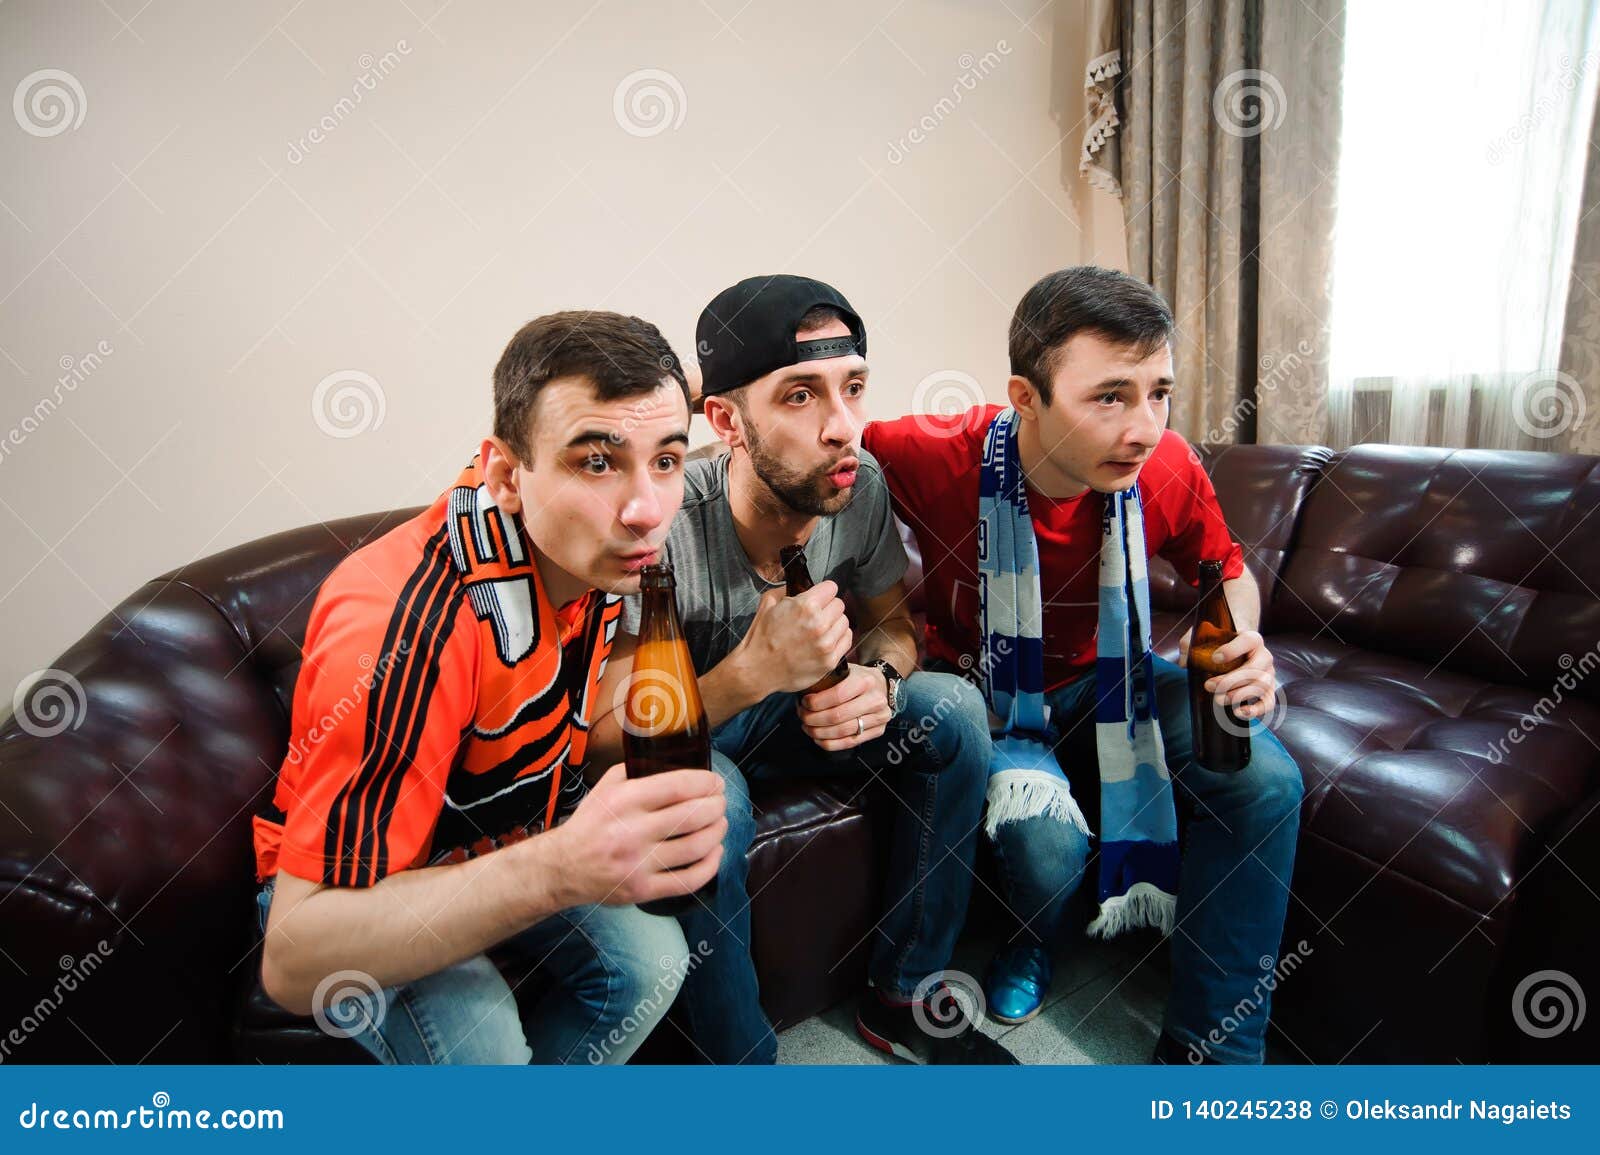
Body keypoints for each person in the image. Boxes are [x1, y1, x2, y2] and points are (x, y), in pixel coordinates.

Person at [253, 311, 727, 1064]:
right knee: (489, 1054)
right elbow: (294, 954)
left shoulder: (593, 551)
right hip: (363, 890)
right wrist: (564, 866)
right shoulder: (410, 623)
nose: (647, 512)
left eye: (666, 461)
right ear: (508, 474)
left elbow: (658, 399)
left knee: (651, 962)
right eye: (597, 463)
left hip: (494, 837)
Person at [862, 267, 1304, 1064]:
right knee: (1046, 854)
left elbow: (1227, 569)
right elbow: (823, 442)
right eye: (1110, 397)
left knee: (1266, 778)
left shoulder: (1166, 465)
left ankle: (1218, 1052)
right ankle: (1034, 939)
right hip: (991, 696)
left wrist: (1242, 644)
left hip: (1119, 680)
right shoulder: (935, 454)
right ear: (1024, 398)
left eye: (1159, 392)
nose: (1145, 427)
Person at [590, 275, 1015, 1064]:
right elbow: (600, 739)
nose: (843, 426)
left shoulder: (858, 490)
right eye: (800, 396)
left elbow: (892, 624)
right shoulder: (659, 517)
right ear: (726, 419)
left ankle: (904, 995)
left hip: (796, 718)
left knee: (950, 709)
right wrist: (747, 674)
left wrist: (880, 682)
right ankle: (741, 1065)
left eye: (853, 387)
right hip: (686, 739)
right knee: (707, 791)